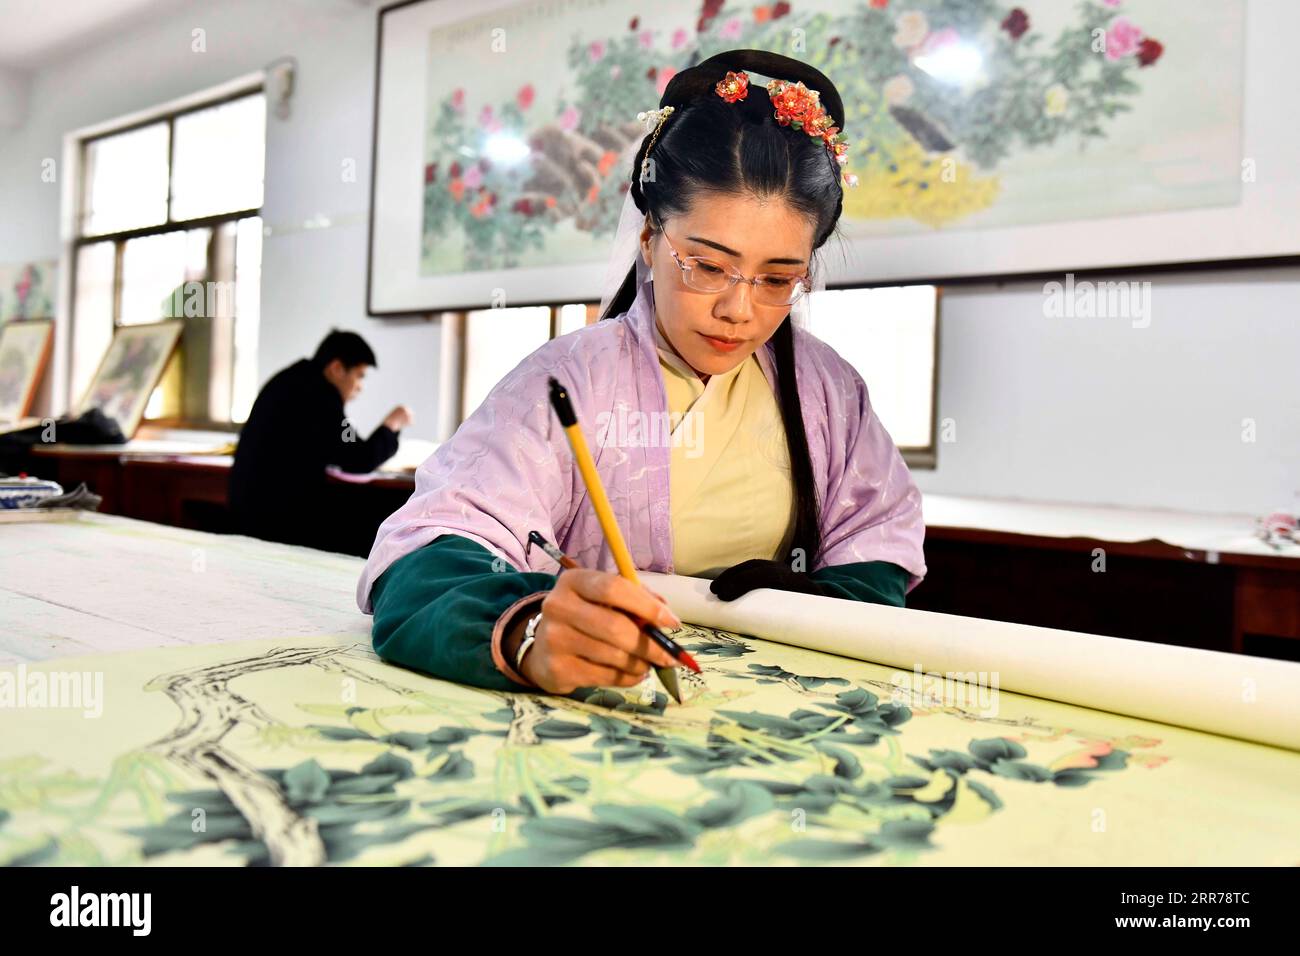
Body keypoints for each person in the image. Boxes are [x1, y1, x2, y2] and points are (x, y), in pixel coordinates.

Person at [357, 50, 926, 697]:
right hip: (595, 702)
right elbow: (434, 545)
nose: (738, 310)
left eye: (777, 279)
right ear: (650, 240)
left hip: (771, 703)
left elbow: (878, 534)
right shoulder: (568, 381)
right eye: (706, 266)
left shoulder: (829, 391)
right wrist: (529, 628)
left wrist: (818, 601)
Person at [230, 330, 413, 552]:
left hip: (247, 509)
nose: (360, 386)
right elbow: (359, 457)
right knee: (380, 520)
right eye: (359, 375)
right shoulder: (322, 398)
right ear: (337, 368)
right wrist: (391, 424)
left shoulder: (288, 380)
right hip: (279, 519)